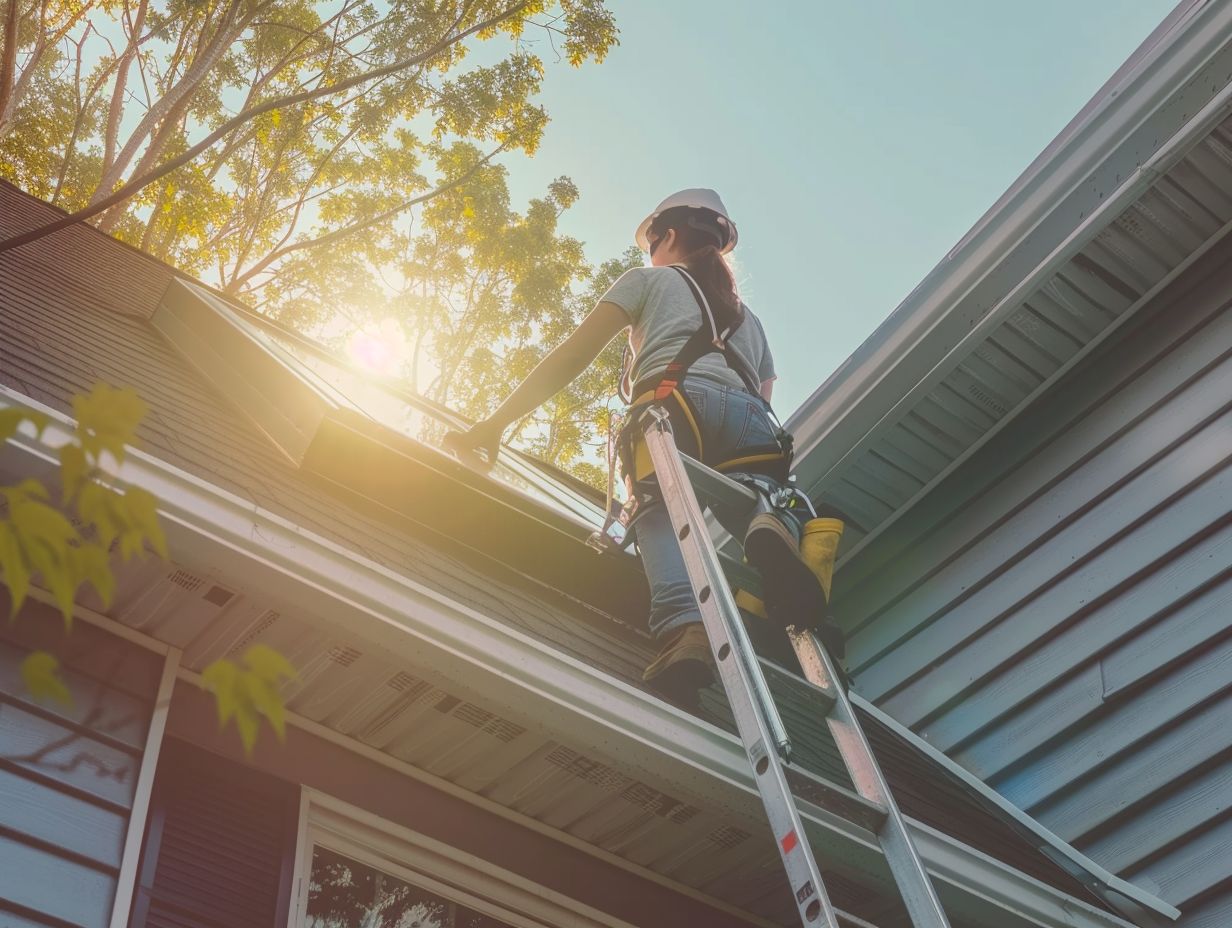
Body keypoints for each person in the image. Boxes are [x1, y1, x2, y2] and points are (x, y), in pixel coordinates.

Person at [454, 189, 841, 707]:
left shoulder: (647, 281)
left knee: (655, 503)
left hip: (673, 404)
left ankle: (685, 628)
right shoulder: (751, 321)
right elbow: (762, 397)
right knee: (757, 492)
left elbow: (573, 355)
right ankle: (768, 525)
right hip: (752, 421)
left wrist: (496, 423)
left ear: (669, 235)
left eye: (652, 243)